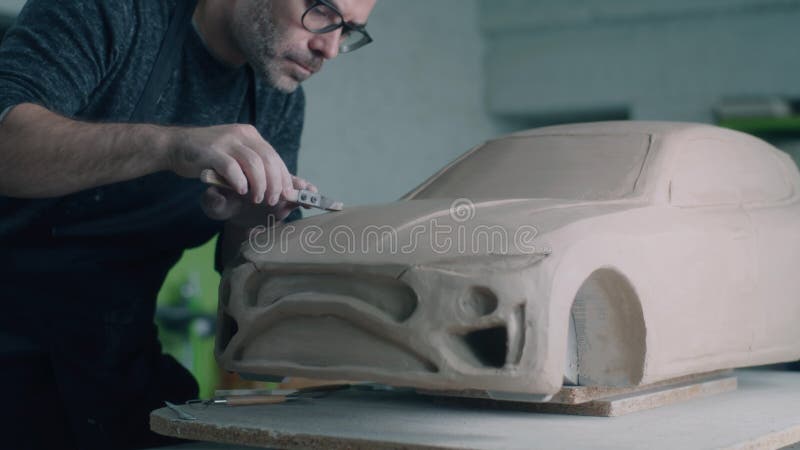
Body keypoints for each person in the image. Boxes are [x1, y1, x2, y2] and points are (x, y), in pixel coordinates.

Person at [0, 0, 376, 448]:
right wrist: (171, 146)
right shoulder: (111, 11)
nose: (329, 47)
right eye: (322, 12)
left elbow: (260, 345)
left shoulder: (276, 101)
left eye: (349, 31)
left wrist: (252, 224)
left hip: (113, 366)